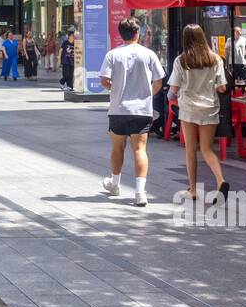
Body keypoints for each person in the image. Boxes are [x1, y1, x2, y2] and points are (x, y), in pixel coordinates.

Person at [98, 18, 166, 206]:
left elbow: (104, 80)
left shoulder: (113, 54)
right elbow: (159, 81)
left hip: (118, 109)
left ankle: (115, 183)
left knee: (117, 147)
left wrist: (115, 87)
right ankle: (139, 192)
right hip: (142, 110)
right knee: (140, 149)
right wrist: (147, 95)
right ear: (138, 34)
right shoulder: (149, 54)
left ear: (121, 34)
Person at [167, 23, 229, 204]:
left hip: (188, 109)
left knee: (190, 150)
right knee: (207, 149)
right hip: (209, 108)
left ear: (185, 39)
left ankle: (193, 190)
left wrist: (170, 95)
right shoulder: (215, 59)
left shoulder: (181, 60)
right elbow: (222, 87)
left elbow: (174, 89)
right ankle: (220, 180)